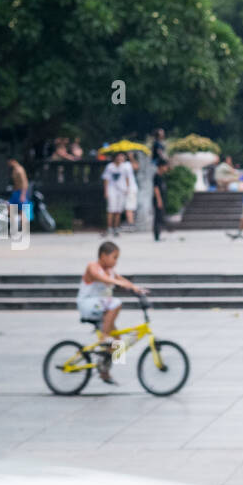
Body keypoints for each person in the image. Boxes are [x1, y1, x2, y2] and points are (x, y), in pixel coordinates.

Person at [76, 240, 148, 384]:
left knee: (118, 343)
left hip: (100, 306)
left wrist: (135, 288)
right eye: (114, 257)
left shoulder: (110, 271)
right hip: (88, 304)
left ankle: (104, 370)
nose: (116, 261)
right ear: (103, 255)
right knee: (116, 303)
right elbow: (101, 278)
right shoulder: (93, 267)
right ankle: (103, 337)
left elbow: (122, 280)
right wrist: (119, 283)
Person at [101, 152, 132, 236]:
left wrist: (127, 188)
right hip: (112, 190)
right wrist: (106, 191)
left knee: (118, 211)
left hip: (121, 190)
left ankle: (116, 228)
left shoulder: (125, 167)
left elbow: (127, 178)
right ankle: (109, 228)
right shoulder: (110, 167)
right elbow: (106, 179)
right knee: (111, 210)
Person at [7, 158, 30, 235]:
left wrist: (23, 195)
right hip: (16, 192)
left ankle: (23, 229)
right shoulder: (15, 169)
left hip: (20, 192)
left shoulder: (19, 170)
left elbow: (25, 183)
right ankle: (15, 226)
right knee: (10, 207)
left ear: (13, 161)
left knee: (22, 211)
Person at [152, 159, 168, 242]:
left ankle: (159, 234)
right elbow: (156, 189)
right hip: (158, 200)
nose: (166, 168)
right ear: (160, 166)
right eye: (165, 166)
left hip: (162, 199)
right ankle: (156, 235)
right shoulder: (156, 176)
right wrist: (159, 200)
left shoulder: (162, 176)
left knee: (160, 216)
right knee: (157, 217)